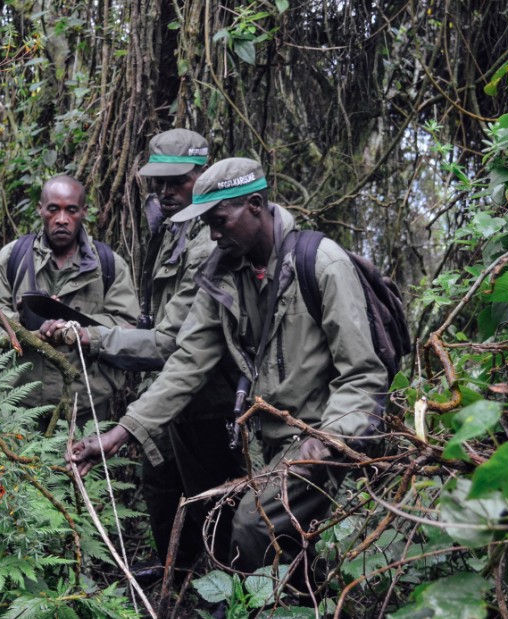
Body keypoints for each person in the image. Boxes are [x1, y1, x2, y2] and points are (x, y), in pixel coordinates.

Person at [67, 158, 388, 578]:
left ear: (255, 205)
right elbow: (187, 360)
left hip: (322, 434)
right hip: (267, 438)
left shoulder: (321, 264)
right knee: (265, 539)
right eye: (207, 226)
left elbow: (364, 374)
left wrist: (328, 441)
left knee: (253, 527)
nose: (214, 236)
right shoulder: (222, 273)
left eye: (220, 222)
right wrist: (119, 434)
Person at [40, 130, 242, 574]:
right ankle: (177, 567)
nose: (166, 193)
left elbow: (173, 340)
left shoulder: (208, 242)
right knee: (161, 479)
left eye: (178, 182)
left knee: (215, 497)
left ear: (202, 176)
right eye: (159, 184)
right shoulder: (175, 231)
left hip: (209, 392)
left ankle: (222, 583)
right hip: (174, 391)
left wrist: (90, 336)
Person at [0, 174, 139, 422]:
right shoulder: (13, 258)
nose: (62, 220)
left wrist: (75, 330)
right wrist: (24, 324)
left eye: (71, 210)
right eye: (53, 209)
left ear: (84, 212)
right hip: (20, 401)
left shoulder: (109, 265)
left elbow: (128, 327)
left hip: (86, 402)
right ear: (40, 210)